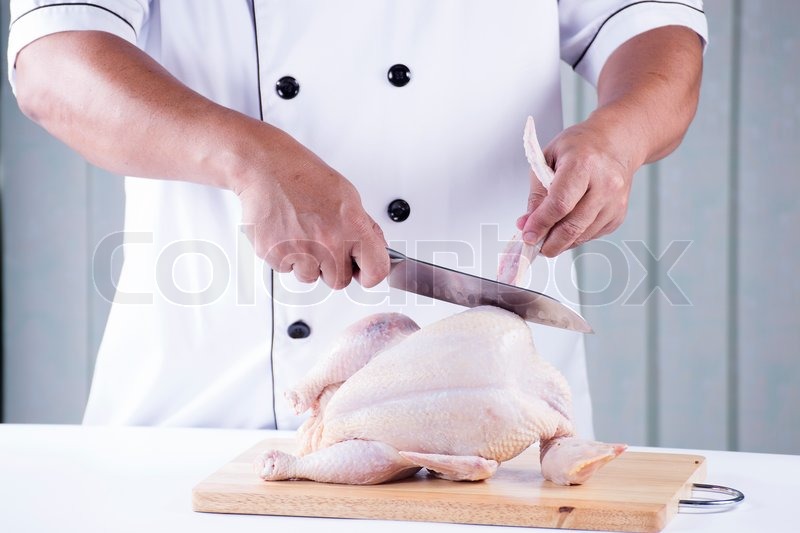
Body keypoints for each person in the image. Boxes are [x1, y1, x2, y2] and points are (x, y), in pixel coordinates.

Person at [7, 1, 707, 434]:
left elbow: (657, 29)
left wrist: (620, 134)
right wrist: (248, 156)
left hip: (498, 422)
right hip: (205, 408)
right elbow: (54, 61)